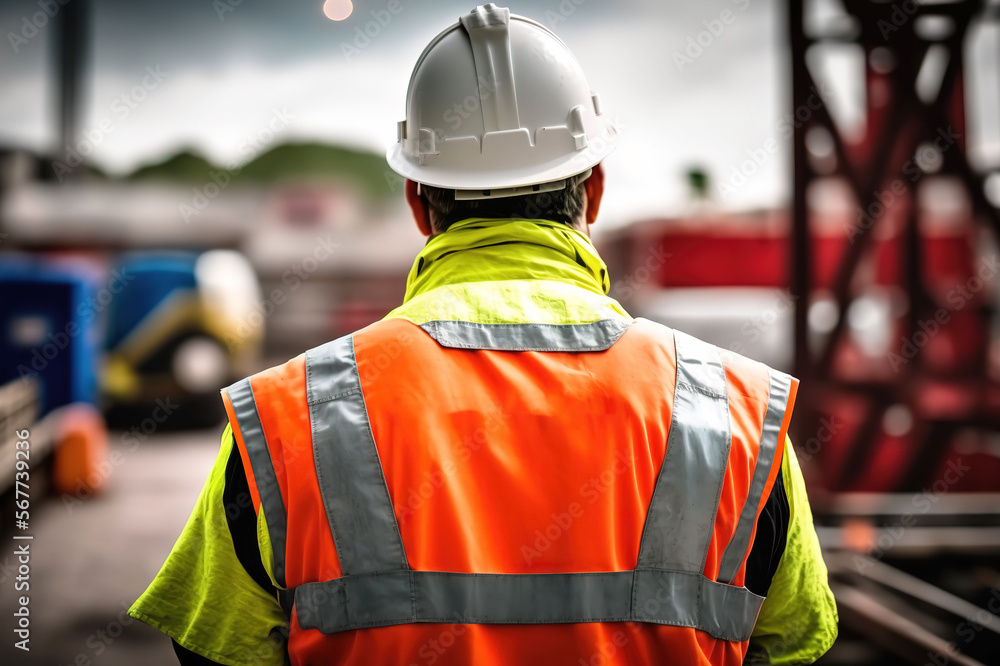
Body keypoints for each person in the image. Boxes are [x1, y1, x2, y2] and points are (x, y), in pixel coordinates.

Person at [129, 4, 838, 664]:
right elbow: (797, 644)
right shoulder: (740, 415)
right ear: (592, 189)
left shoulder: (286, 418)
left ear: (417, 200)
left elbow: (218, 649)